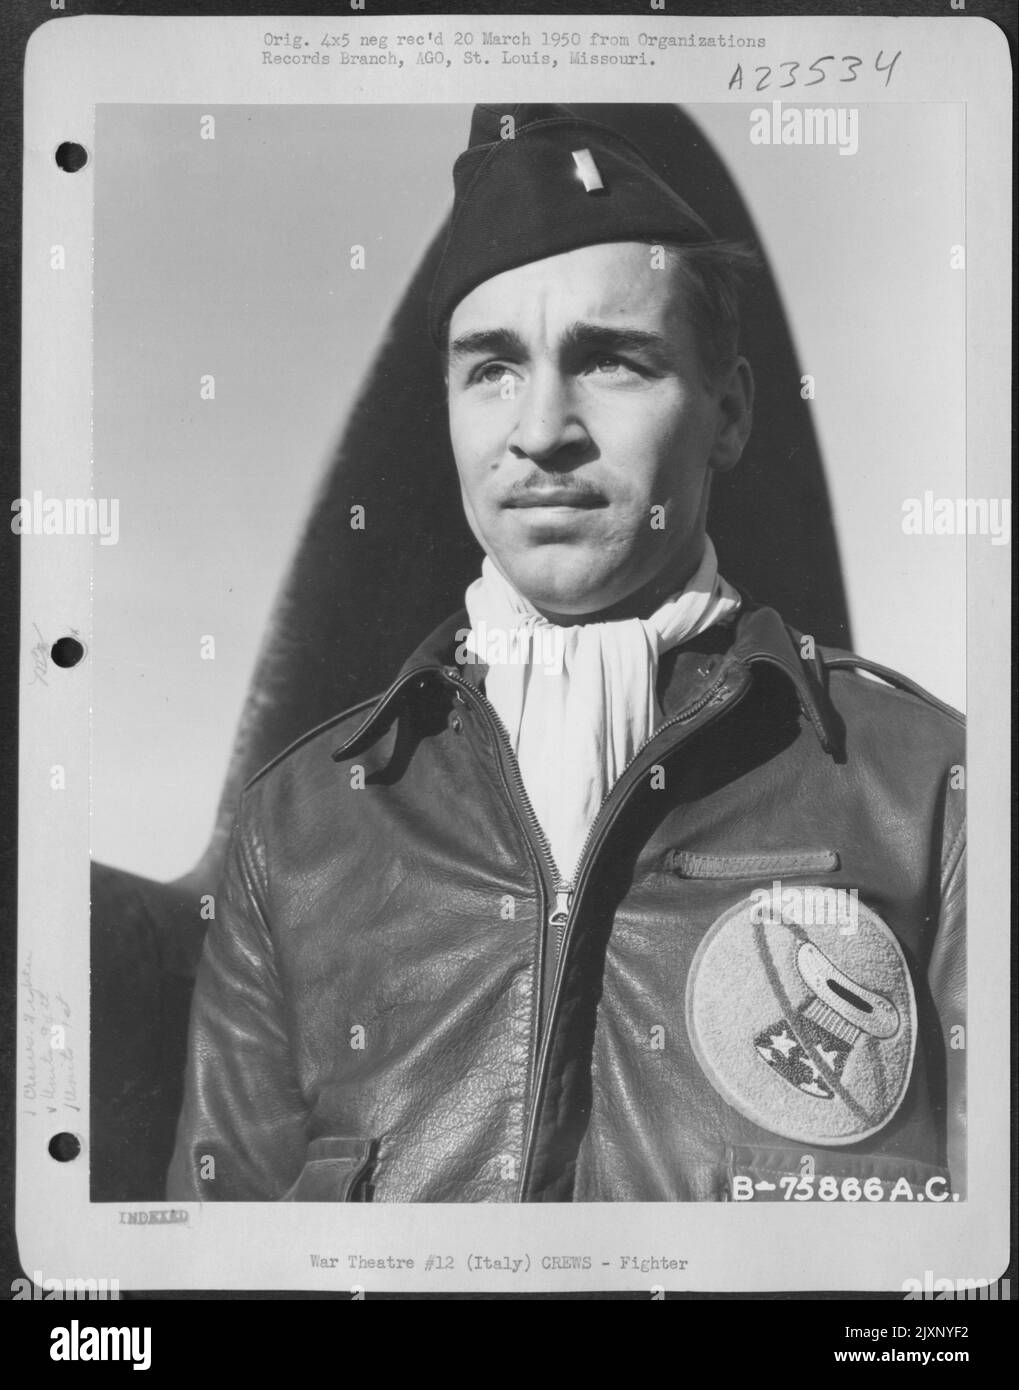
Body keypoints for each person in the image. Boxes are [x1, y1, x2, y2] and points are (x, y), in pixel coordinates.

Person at [167, 104, 964, 1204]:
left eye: (611, 362)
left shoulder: (934, 793)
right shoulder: (295, 829)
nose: (540, 429)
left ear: (725, 412)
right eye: (491, 369)